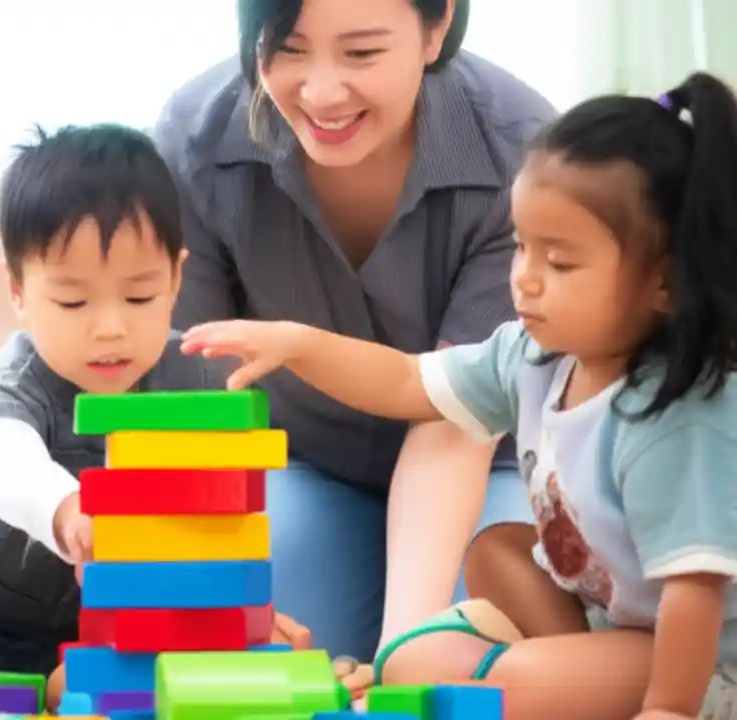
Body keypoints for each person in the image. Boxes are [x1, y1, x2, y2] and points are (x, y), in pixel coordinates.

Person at [180, 71, 737, 720]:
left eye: (559, 263)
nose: (524, 280)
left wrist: (668, 709)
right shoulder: (531, 356)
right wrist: (300, 344)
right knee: (414, 650)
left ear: (664, 284)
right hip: (599, 619)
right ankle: (537, 686)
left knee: (505, 685)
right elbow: (405, 381)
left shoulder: (678, 417)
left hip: (691, 651)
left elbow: (694, 593)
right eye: (522, 247)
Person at [0, 123, 317, 707]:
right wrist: (67, 507)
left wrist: (242, 623)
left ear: (176, 277)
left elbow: (217, 527)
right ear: (17, 290)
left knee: (114, 685)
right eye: (73, 301)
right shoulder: (20, 377)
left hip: (105, 629)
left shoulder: (196, 379)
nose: (110, 327)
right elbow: (1, 459)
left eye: (139, 297)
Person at [152, 0, 561, 662]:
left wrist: (407, 655)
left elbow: (455, 419)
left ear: (435, 29)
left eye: (362, 53)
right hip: (299, 463)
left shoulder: (525, 150)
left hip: (486, 462)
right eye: (286, 48)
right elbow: (192, 398)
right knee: (270, 644)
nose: (320, 91)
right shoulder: (191, 141)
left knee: (473, 639)